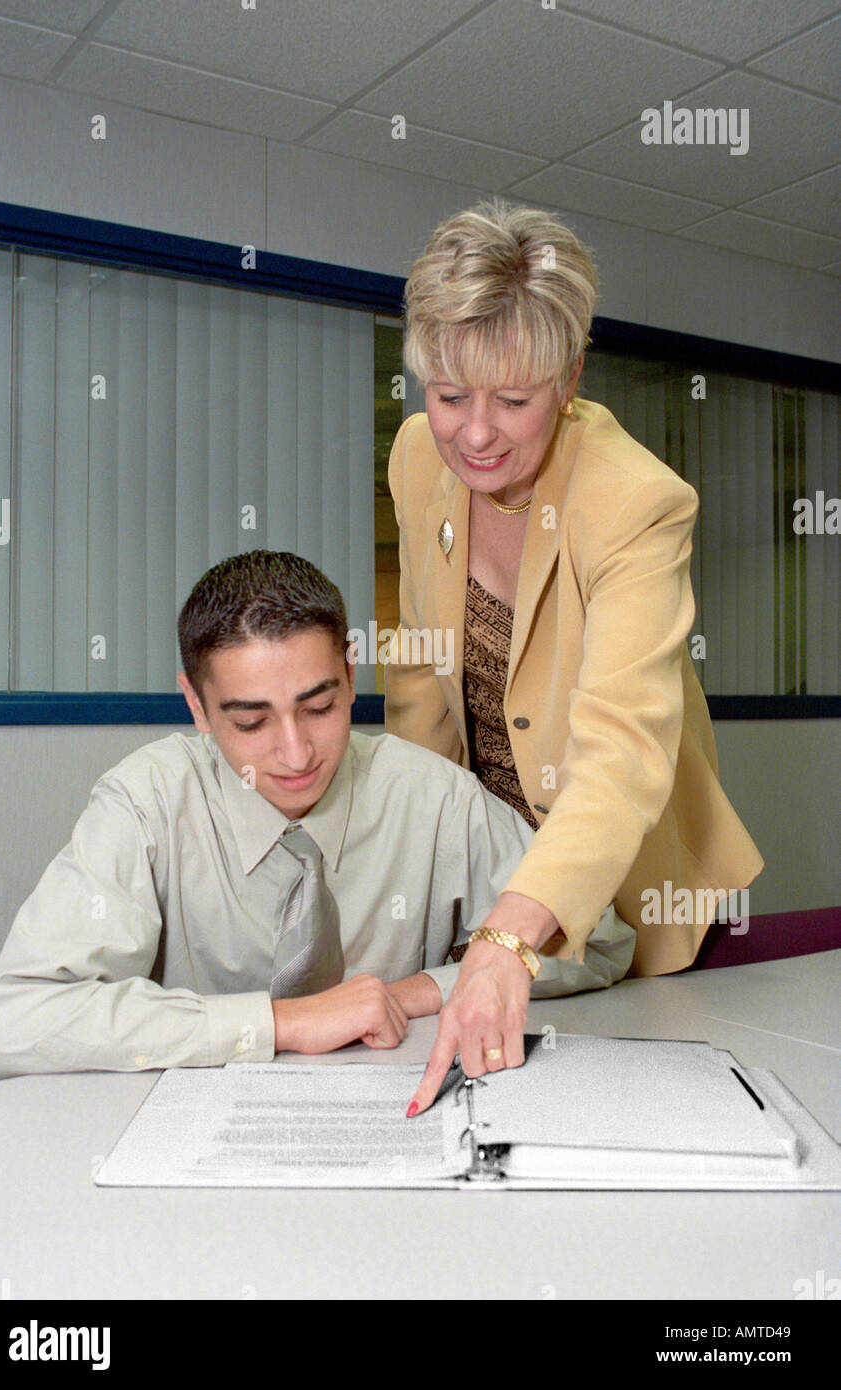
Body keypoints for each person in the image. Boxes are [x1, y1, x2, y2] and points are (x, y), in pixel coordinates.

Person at [0, 549, 633, 1086]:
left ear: (349, 676)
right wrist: (282, 1023)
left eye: (319, 707)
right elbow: (15, 1017)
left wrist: (415, 993)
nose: (296, 754)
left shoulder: (430, 795)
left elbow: (601, 941)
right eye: (251, 720)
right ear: (197, 706)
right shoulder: (147, 801)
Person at [385, 198, 764, 1116]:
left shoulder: (635, 502)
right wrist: (411, 887)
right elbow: (419, 690)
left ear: (569, 378)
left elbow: (625, 754)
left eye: (513, 400)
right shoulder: (412, 457)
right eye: (448, 396)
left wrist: (511, 937)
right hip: (489, 874)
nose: (475, 434)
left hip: (627, 893)